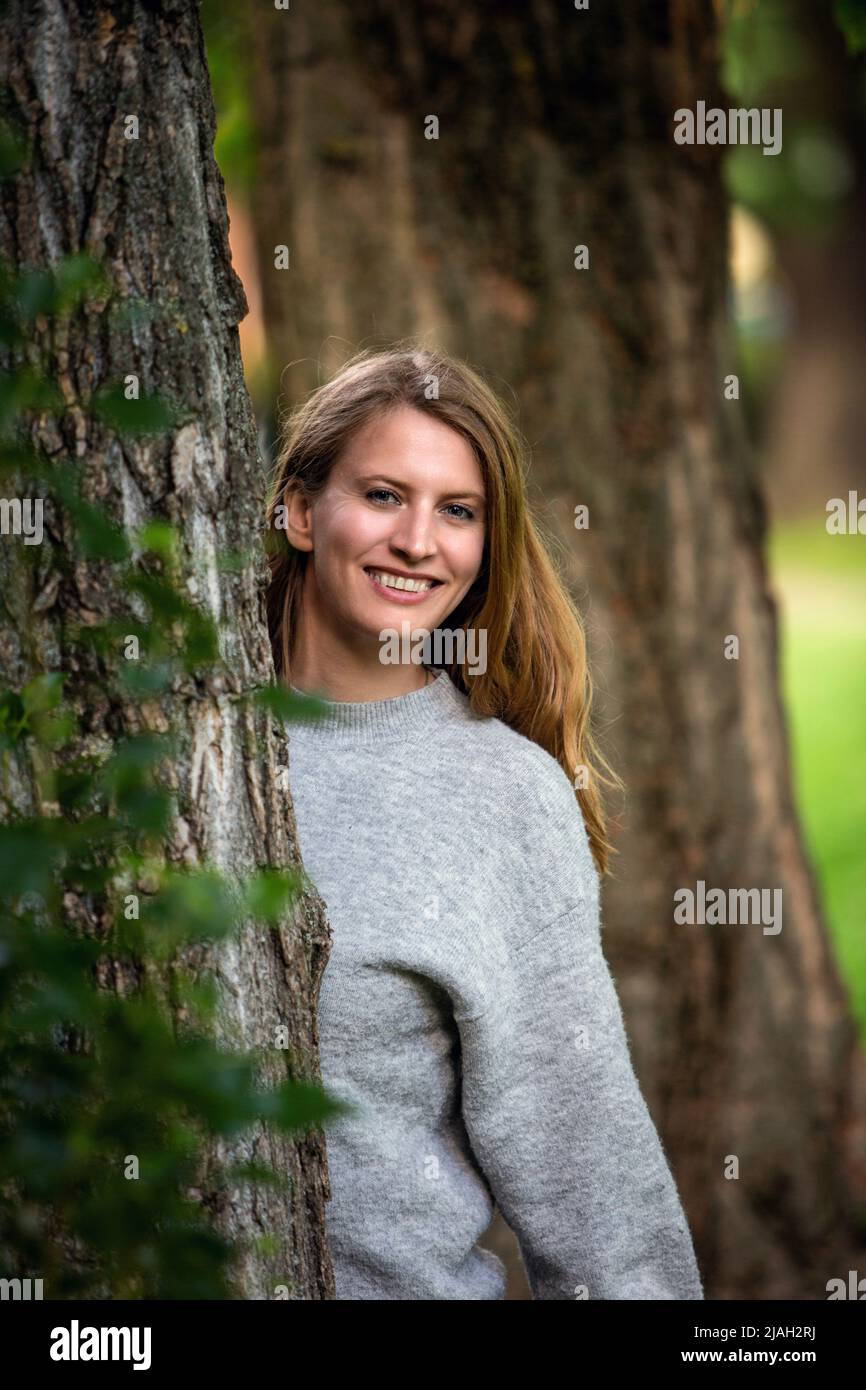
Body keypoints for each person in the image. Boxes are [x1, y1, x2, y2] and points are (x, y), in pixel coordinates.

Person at [265, 342, 704, 1301]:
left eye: (458, 511)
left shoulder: (503, 796)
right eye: (383, 495)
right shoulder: (167, 747)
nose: (420, 540)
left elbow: (586, 1166)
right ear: (300, 511)